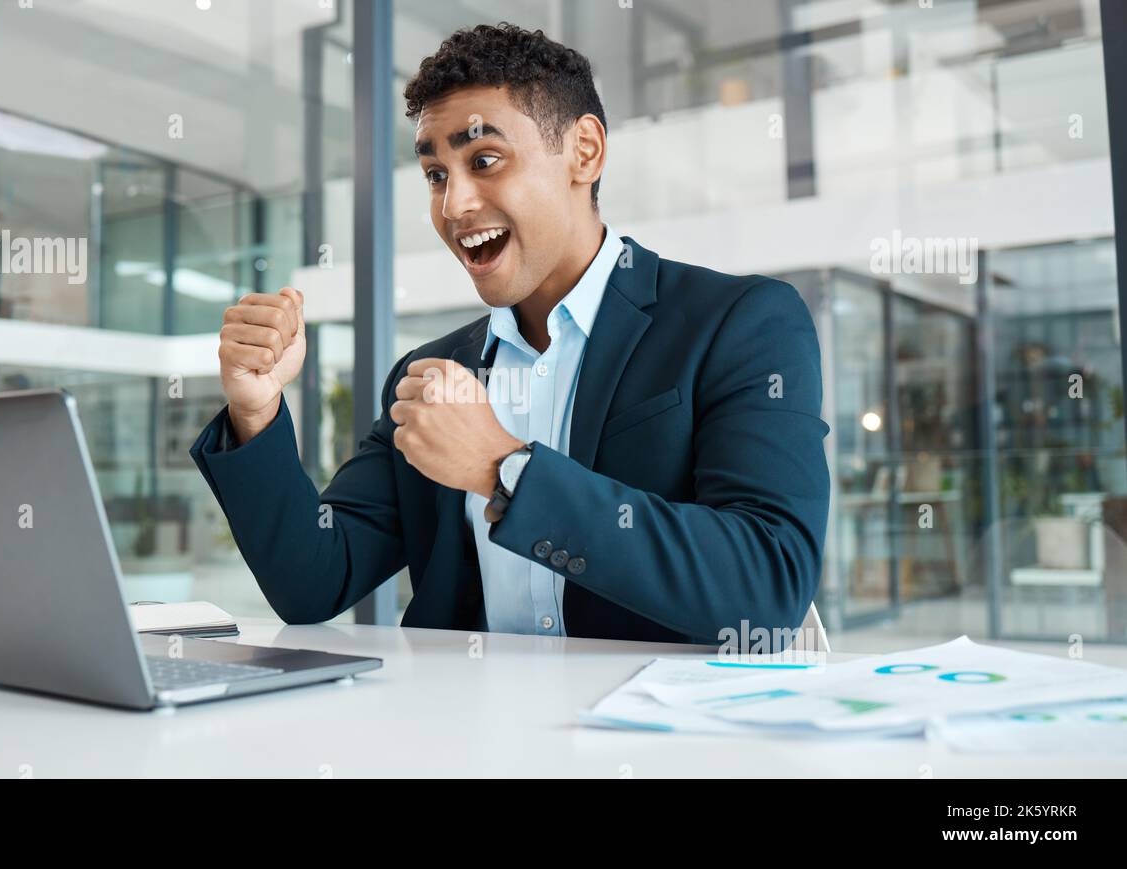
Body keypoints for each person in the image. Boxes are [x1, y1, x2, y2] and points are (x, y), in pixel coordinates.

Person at [190, 23, 830, 645]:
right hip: (473, 741)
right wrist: (256, 411)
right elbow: (314, 581)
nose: (453, 205)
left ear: (584, 151)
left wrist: (504, 470)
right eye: (437, 174)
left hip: (655, 742)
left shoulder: (740, 323)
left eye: (485, 160)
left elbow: (768, 583)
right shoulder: (431, 374)